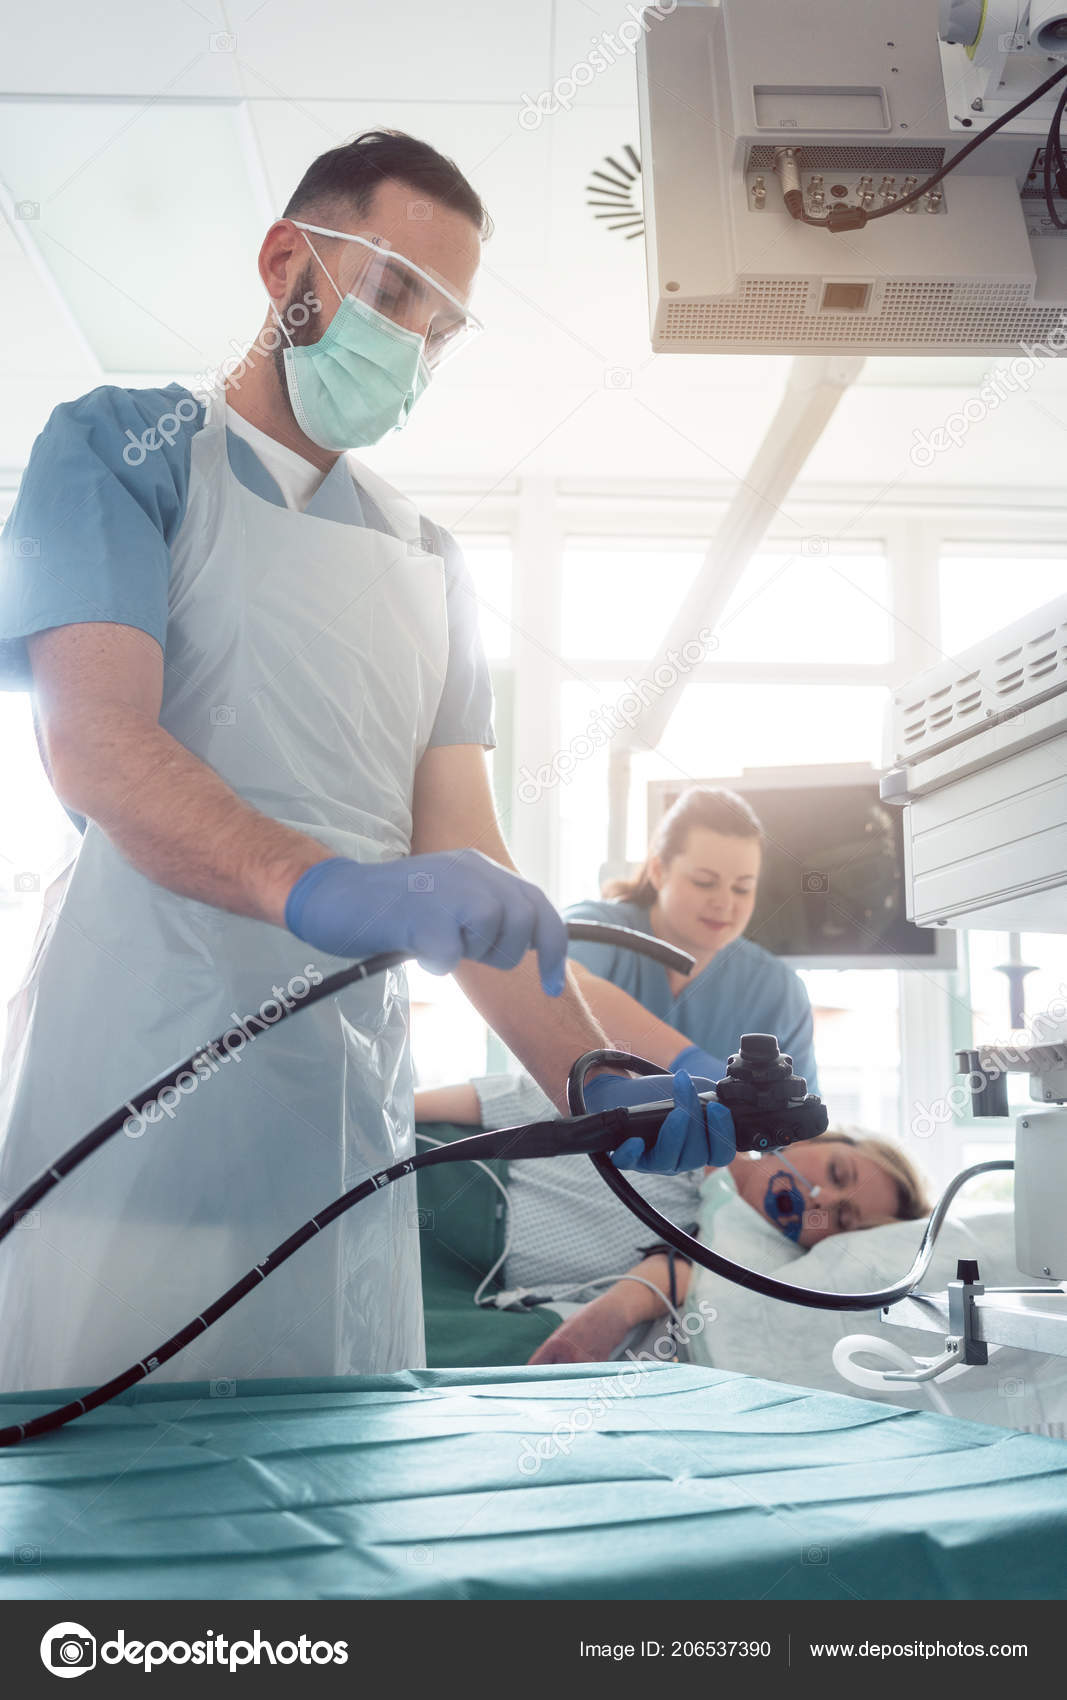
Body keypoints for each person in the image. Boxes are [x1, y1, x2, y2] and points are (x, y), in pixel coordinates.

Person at [0, 131, 733, 1395]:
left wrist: (592, 1070)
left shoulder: (429, 561)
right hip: (127, 1099)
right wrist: (327, 885)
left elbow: (475, 867)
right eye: (394, 290)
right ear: (288, 259)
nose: (413, 343)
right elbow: (101, 747)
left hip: (341, 1137)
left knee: (333, 1537)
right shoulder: (123, 452)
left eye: (443, 324)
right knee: (113, 1531)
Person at [414, 786, 819, 1298]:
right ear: (658, 871)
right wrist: (688, 1060)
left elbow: (794, 1142)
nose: (725, 902)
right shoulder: (601, 929)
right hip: (525, 1177)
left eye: (744, 888)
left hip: (644, 1234)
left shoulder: (776, 990)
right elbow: (558, 985)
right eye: (704, 881)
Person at [527, 1132, 931, 1365]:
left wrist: (618, 1309)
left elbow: (707, 1274)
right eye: (837, 1173)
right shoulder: (692, 1132)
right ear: (813, 1138)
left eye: (842, 1217)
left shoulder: (774, 1269)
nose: (823, 1198)